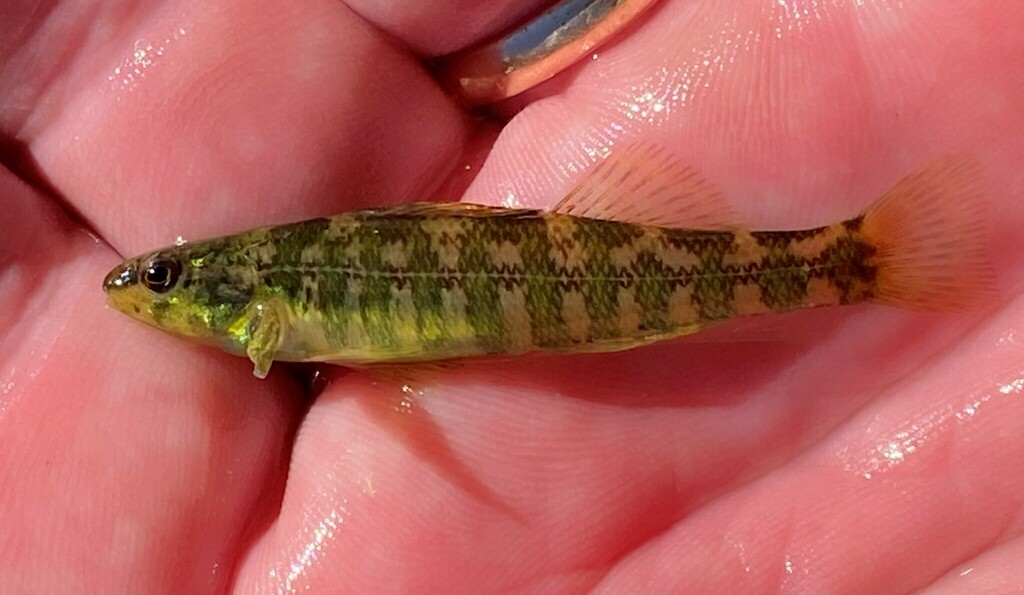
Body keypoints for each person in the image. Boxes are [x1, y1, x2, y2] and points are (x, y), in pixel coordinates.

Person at [1, 1, 1021, 592]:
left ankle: (857, 259)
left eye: (165, 278)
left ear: (240, 291)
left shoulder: (269, 297)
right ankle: (855, 261)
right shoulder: (266, 297)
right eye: (158, 276)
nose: (142, 288)